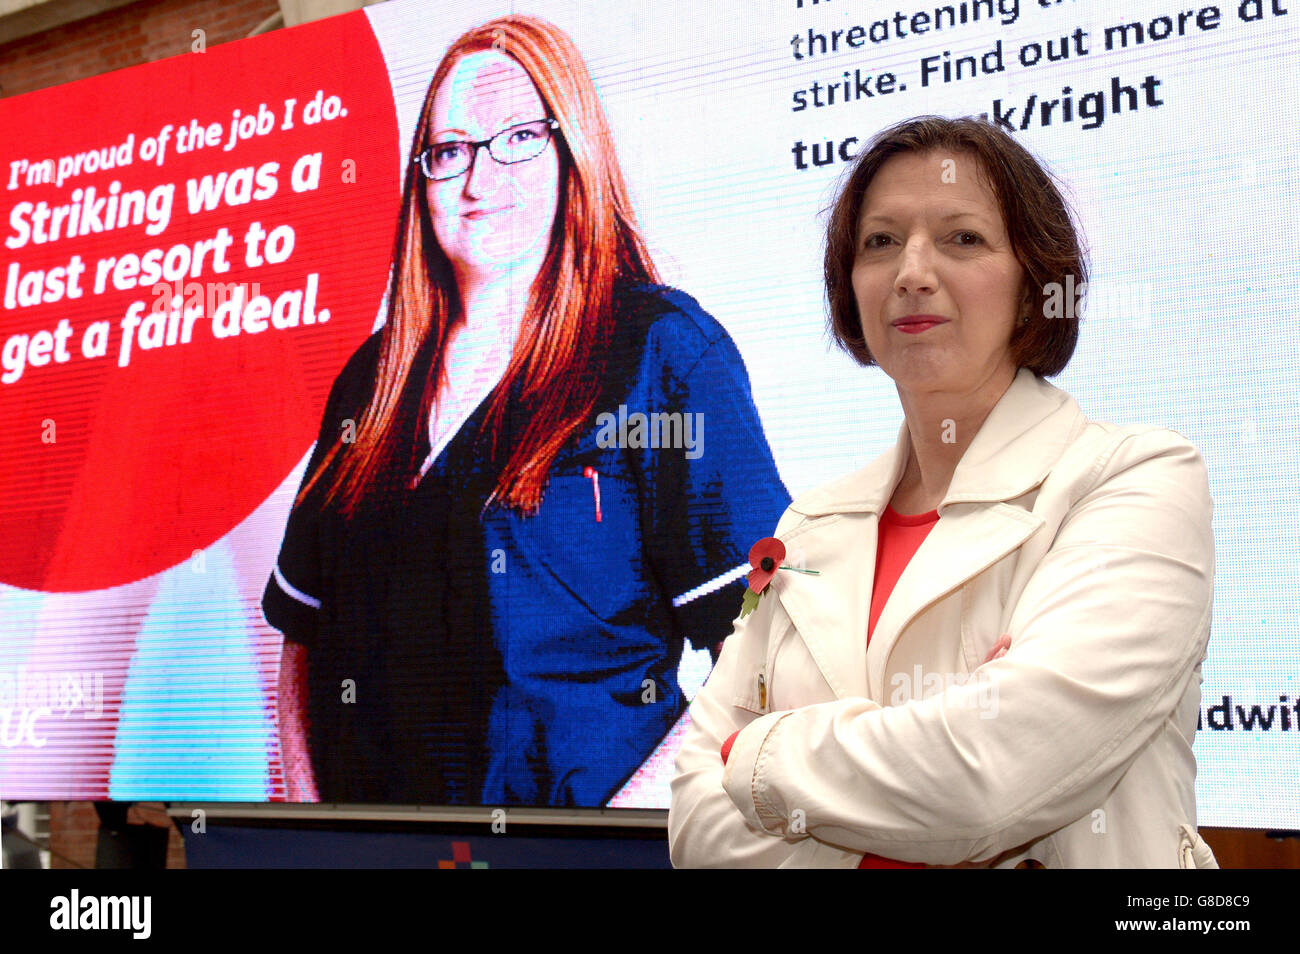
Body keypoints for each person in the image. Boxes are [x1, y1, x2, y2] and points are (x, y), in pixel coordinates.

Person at [262, 15, 789, 805]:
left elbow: (769, 644)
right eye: (449, 151)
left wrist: (609, 836)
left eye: (517, 138)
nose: (478, 180)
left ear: (571, 148)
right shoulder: (370, 383)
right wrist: (308, 819)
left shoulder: (662, 353)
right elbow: (303, 641)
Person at [668, 115, 1219, 868]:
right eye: (880, 241)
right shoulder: (806, 528)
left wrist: (760, 757)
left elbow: (992, 781)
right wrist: (925, 771)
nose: (911, 272)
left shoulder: (1135, 479)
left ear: (1034, 286)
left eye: (962, 238)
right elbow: (697, 825)